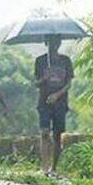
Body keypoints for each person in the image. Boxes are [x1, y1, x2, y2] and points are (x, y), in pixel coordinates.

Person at [34, 36, 74, 174]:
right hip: (44, 102)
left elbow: (69, 83)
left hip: (60, 103)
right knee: (44, 132)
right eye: (51, 42)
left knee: (57, 135)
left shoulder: (65, 61)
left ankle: (54, 168)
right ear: (46, 43)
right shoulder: (40, 61)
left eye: (56, 42)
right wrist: (44, 78)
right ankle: (44, 166)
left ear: (59, 43)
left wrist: (57, 95)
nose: (53, 45)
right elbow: (36, 83)